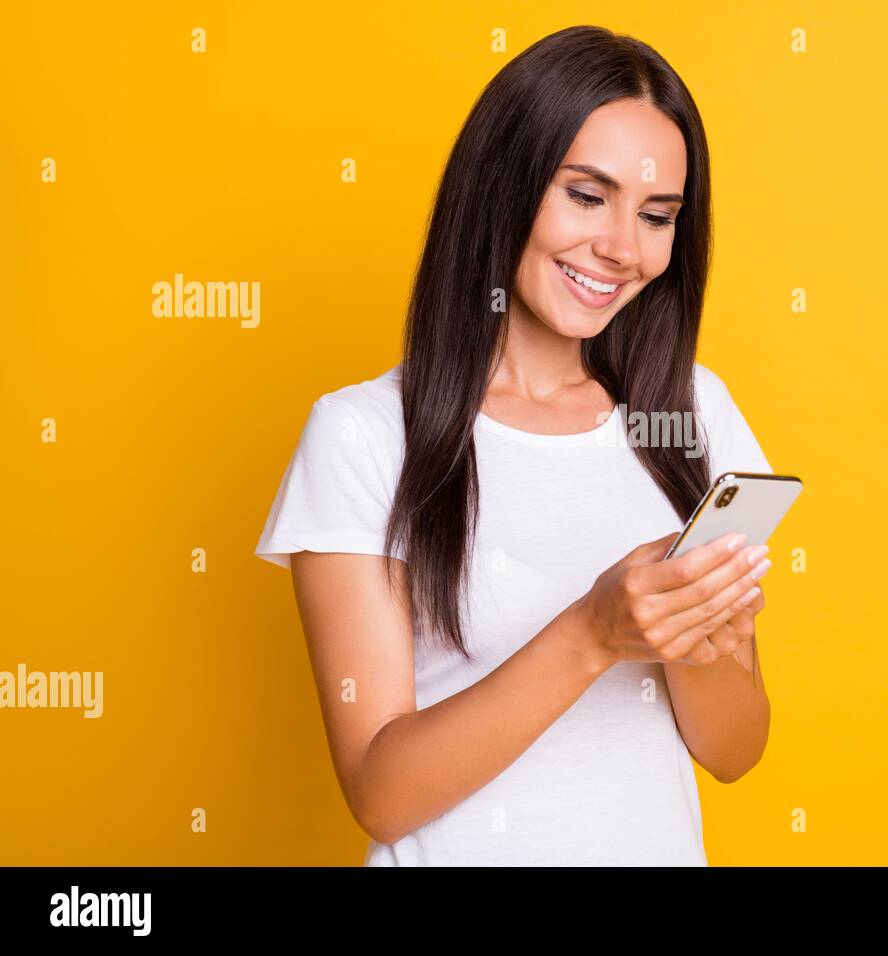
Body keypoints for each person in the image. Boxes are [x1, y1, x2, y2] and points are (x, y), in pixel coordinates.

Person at [254, 25, 775, 866]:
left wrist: (700, 646)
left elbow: (734, 752)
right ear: (504, 186)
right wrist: (594, 633)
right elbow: (380, 796)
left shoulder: (693, 415)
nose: (621, 248)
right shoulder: (364, 436)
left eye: (655, 216)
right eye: (585, 195)